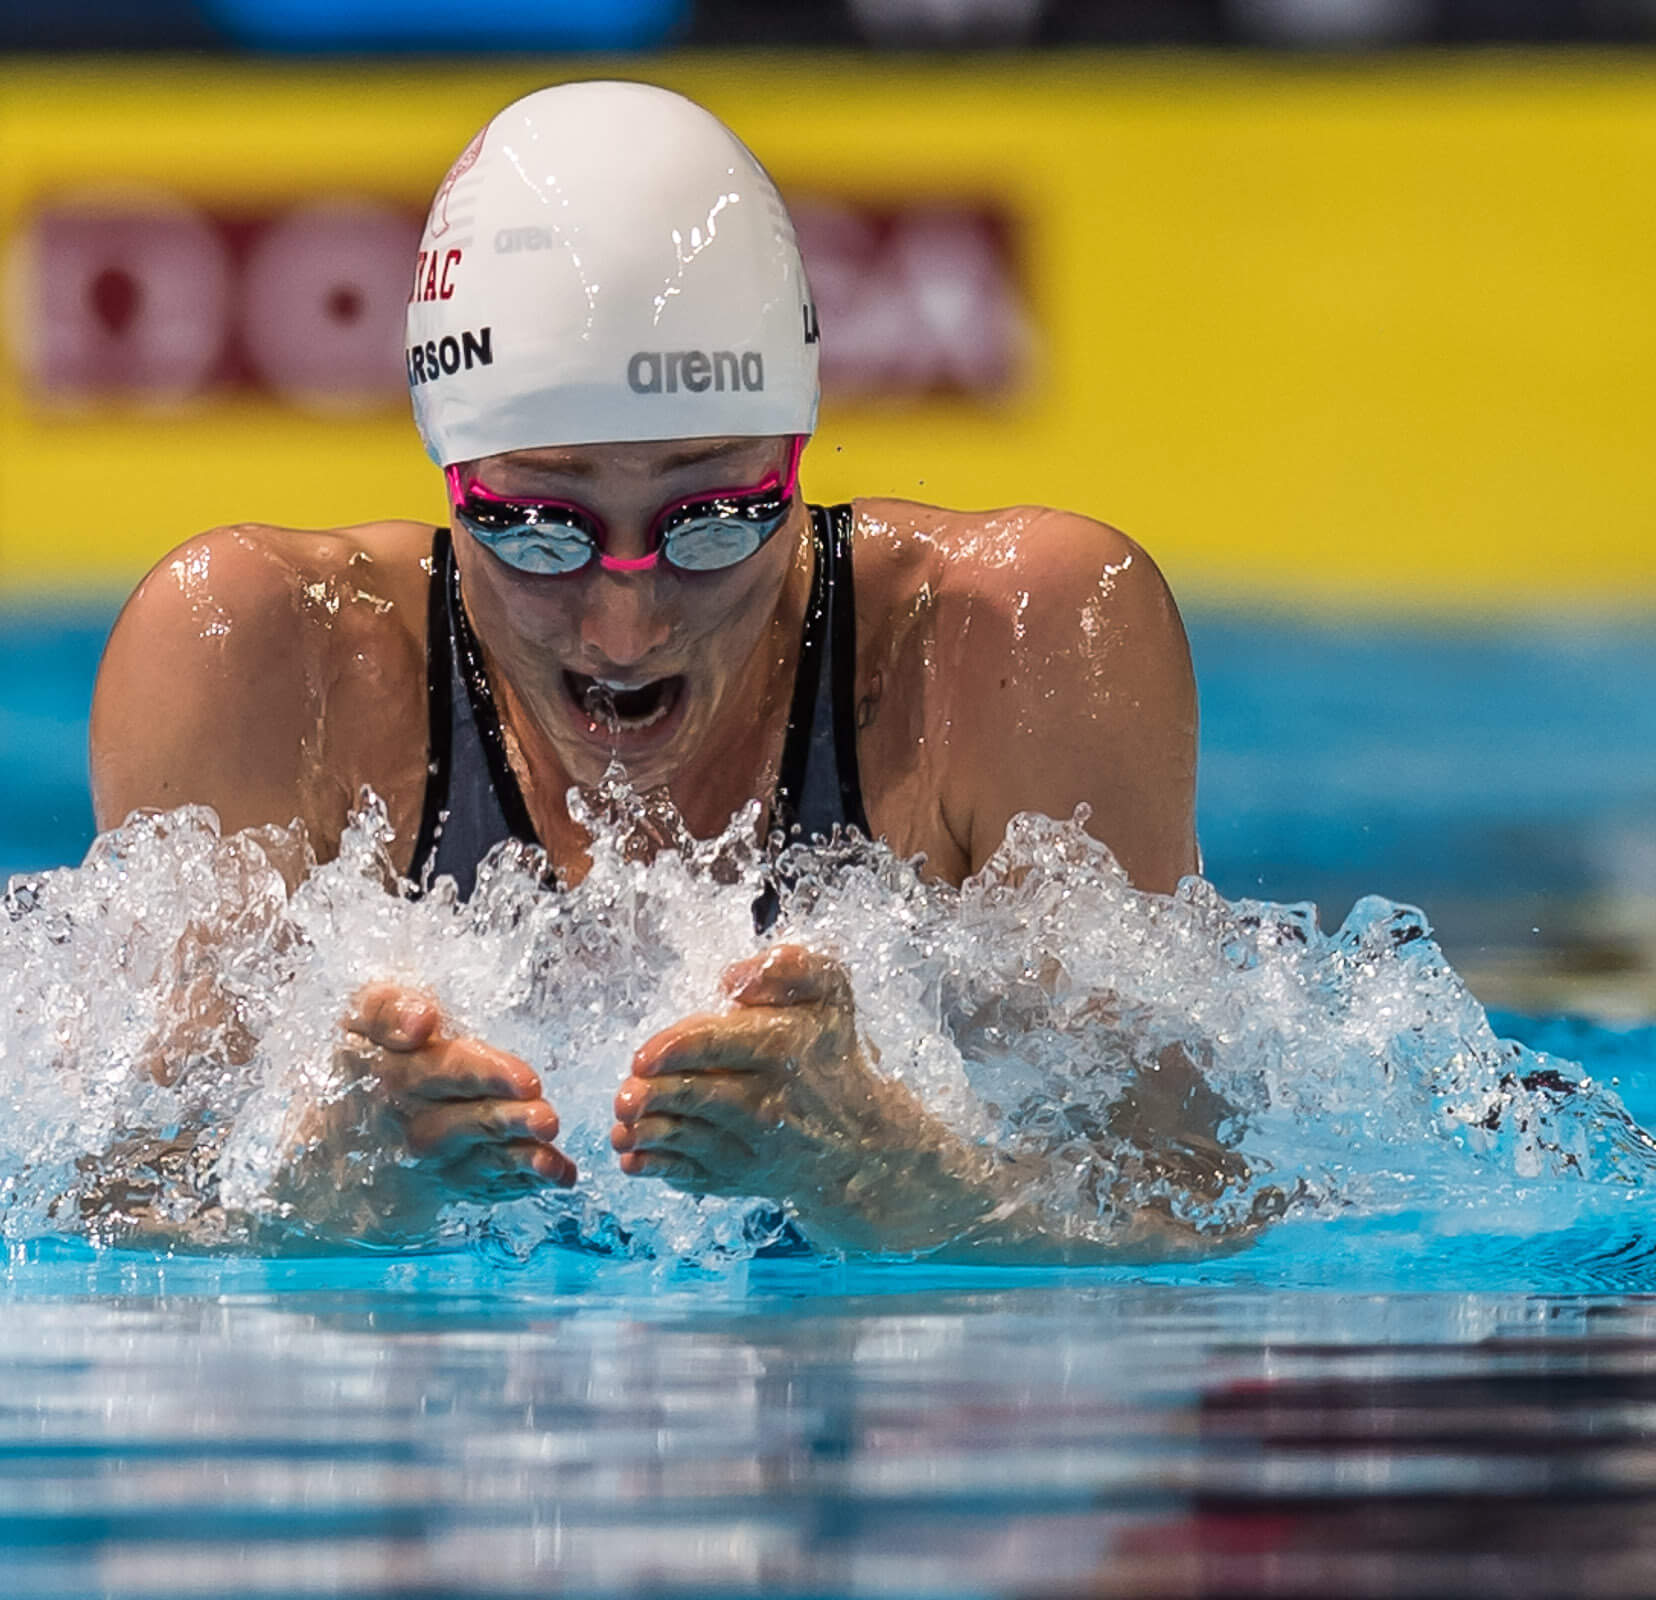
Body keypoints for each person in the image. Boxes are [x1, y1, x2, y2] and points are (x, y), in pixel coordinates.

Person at [89, 82, 1219, 1257]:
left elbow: (1195, 1212)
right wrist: (327, 1198)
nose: (625, 628)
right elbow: (113, 1220)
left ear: (796, 456)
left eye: (714, 521)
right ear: (448, 472)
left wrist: (894, 1178)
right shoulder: (262, 666)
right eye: (539, 529)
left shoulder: (1014, 644)